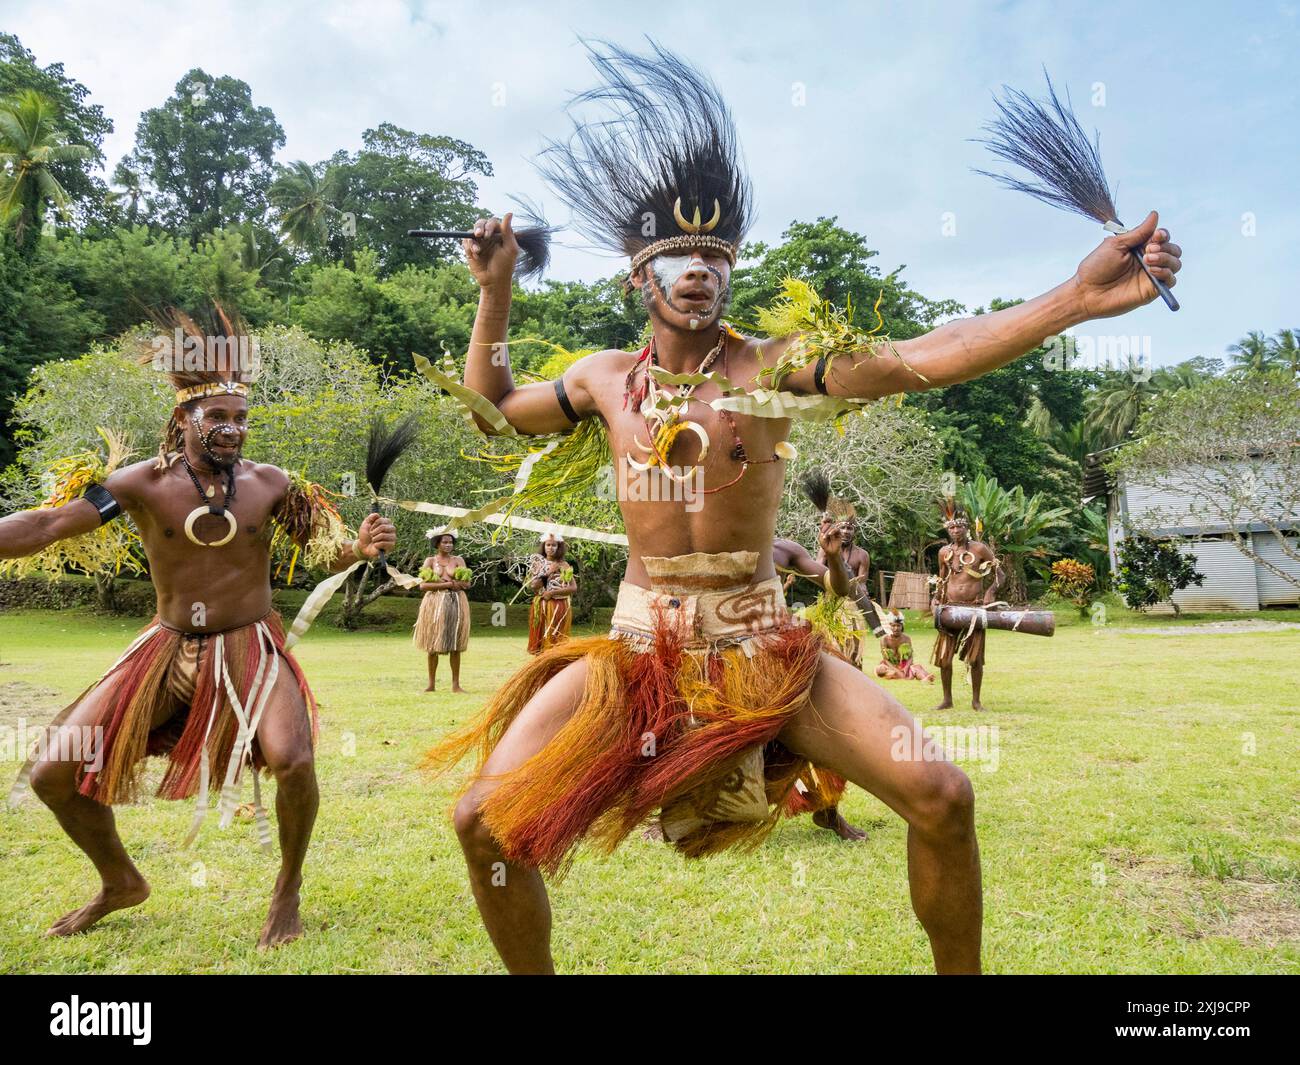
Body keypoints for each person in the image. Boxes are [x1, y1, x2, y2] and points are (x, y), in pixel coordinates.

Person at [422, 41, 1181, 974]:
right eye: (675, 255)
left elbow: (927, 352)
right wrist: (493, 291)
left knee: (941, 793)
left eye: (713, 253)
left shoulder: (773, 371)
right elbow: (496, 406)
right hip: (638, 644)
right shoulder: (605, 381)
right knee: (481, 823)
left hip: (765, 641)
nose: (698, 269)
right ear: (638, 279)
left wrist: (1072, 298)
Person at [0, 308, 396, 947]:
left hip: (251, 646)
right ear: (184, 418)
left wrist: (360, 547)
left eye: (240, 418)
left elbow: (324, 552)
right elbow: (47, 526)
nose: (231, 429)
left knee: (293, 761)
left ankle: (286, 891)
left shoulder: (271, 484)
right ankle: (120, 881)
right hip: (165, 647)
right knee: (51, 772)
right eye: (217, 418)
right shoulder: (139, 485)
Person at [772, 528, 866, 842]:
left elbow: (838, 588)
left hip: (778, 651)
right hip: (726, 652)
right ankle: (680, 814)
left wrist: (835, 556)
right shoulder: (715, 544)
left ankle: (828, 811)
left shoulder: (783, 550)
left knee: (827, 723)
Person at [932, 503, 1003, 712]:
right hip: (949, 609)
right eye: (952, 528)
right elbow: (942, 578)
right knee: (944, 658)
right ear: (948, 530)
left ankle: (976, 701)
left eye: (959, 527)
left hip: (974, 608)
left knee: (975, 659)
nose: (956, 531)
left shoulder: (979, 549)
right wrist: (936, 597)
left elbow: (1001, 574)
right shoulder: (944, 552)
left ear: (966, 528)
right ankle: (947, 699)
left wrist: (991, 592)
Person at [414, 531, 470, 692]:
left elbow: (466, 583)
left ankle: (456, 685)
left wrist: (451, 583)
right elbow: (423, 586)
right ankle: (431, 684)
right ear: (437, 543)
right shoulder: (430, 561)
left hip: (456, 603)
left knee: (455, 644)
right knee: (432, 644)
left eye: (451, 542)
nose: (448, 545)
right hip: (434, 605)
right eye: (445, 542)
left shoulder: (458, 560)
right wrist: (446, 585)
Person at [526, 532, 576, 654]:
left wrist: (553, 592)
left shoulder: (564, 565)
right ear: (544, 546)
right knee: (541, 638)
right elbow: (534, 586)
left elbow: (573, 587)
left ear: (559, 547)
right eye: (548, 545)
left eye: (554, 545)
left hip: (559, 606)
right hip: (542, 605)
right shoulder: (538, 563)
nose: (550, 548)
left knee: (556, 638)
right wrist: (549, 572)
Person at [876, 611, 934, 682]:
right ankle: (901, 676)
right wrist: (896, 670)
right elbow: (885, 659)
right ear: (890, 626)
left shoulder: (906, 638)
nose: (896, 628)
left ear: (902, 626)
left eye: (898, 626)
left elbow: (910, 656)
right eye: (893, 626)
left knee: (917, 667)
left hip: (903, 664)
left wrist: (906, 667)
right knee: (880, 669)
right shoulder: (884, 639)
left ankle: (924, 679)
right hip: (890, 665)